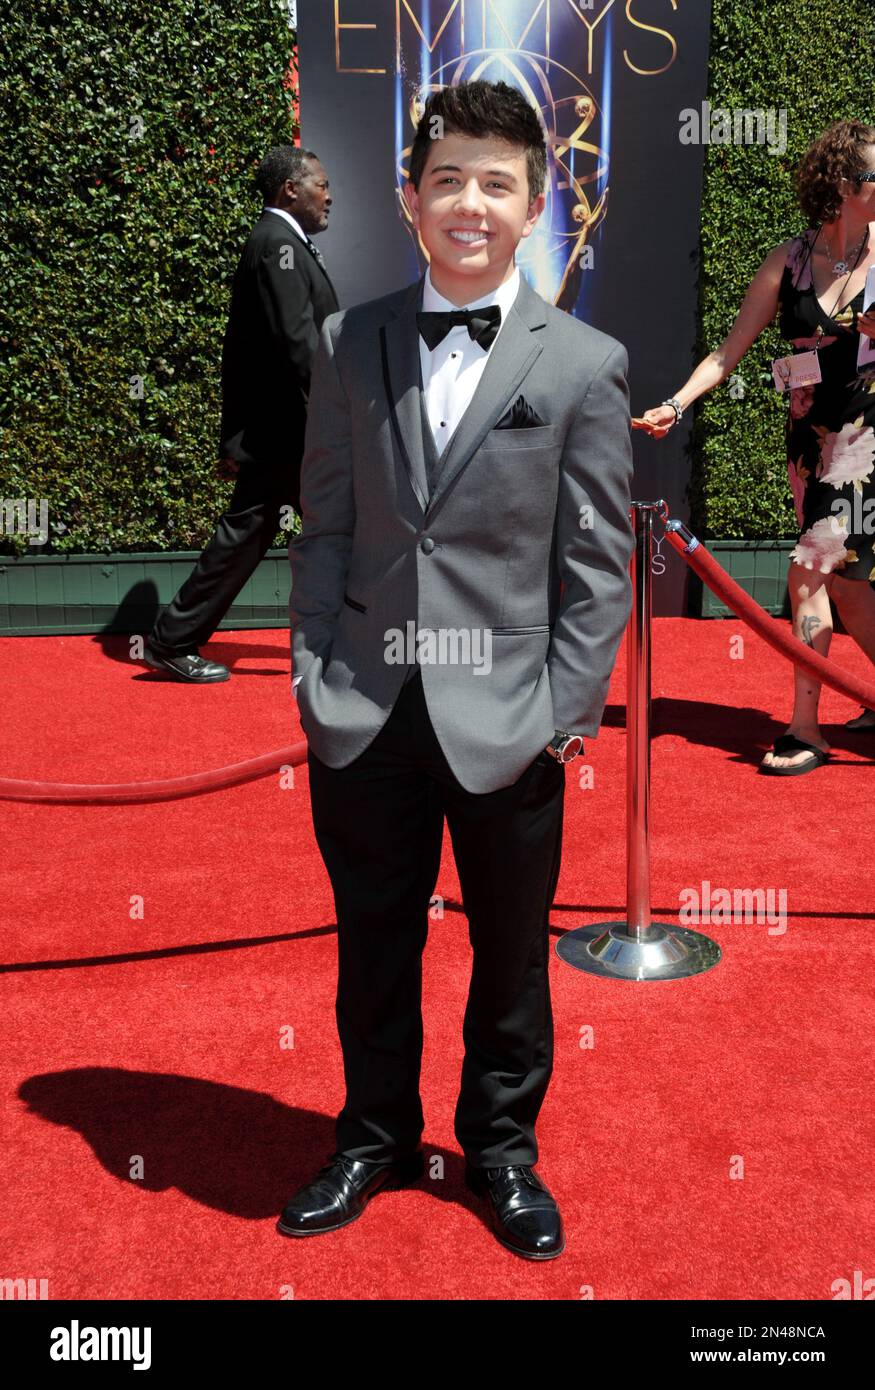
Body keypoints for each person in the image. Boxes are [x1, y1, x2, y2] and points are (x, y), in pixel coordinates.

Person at [280, 80, 634, 1260]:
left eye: (496, 181)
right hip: (365, 707)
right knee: (370, 936)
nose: (469, 202)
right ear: (409, 197)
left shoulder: (583, 364)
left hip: (509, 717)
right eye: (448, 179)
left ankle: (499, 1152)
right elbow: (323, 522)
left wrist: (563, 719)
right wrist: (313, 674)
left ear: (533, 203)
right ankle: (372, 1135)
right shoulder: (346, 340)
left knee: (510, 949)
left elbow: (595, 563)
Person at [635, 120, 875, 773]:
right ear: (843, 185)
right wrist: (676, 404)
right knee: (849, 588)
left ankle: (805, 731)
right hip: (809, 439)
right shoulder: (788, 261)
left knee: (808, 572)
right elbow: (727, 351)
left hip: (867, 439)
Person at [143, 146, 338, 682]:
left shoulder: (283, 243)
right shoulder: (277, 243)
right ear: (289, 190)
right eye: (320, 184)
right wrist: (336, 407)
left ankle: (173, 637)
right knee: (331, 523)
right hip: (289, 430)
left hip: (285, 430)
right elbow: (296, 343)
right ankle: (172, 638)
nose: (329, 195)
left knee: (260, 529)